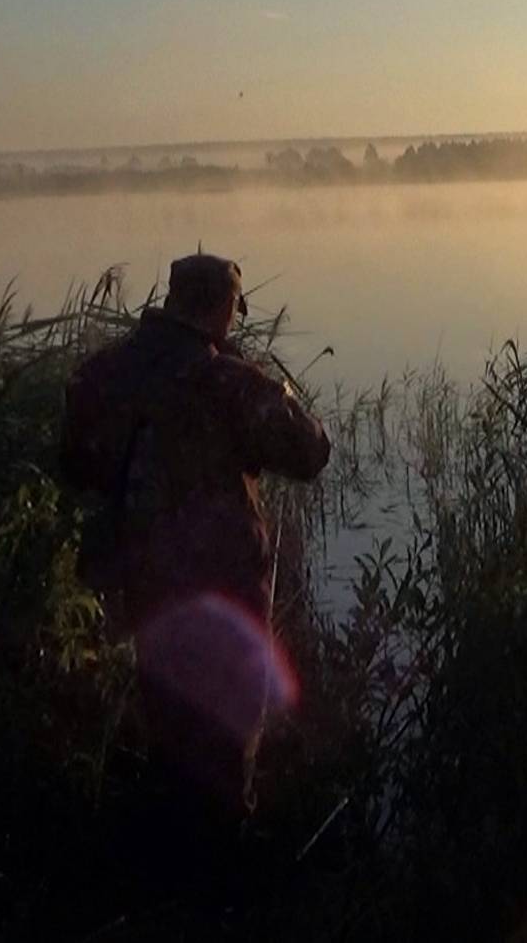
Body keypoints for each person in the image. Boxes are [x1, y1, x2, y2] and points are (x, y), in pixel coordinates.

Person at [61, 253, 332, 820]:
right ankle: (221, 885)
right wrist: (255, 377)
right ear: (223, 308)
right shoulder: (225, 380)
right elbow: (311, 451)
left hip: (146, 589)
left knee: (168, 730)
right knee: (229, 738)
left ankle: (170, 872)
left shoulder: (103, 372)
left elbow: (76, 466)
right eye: (234, 309)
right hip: (223, 594)